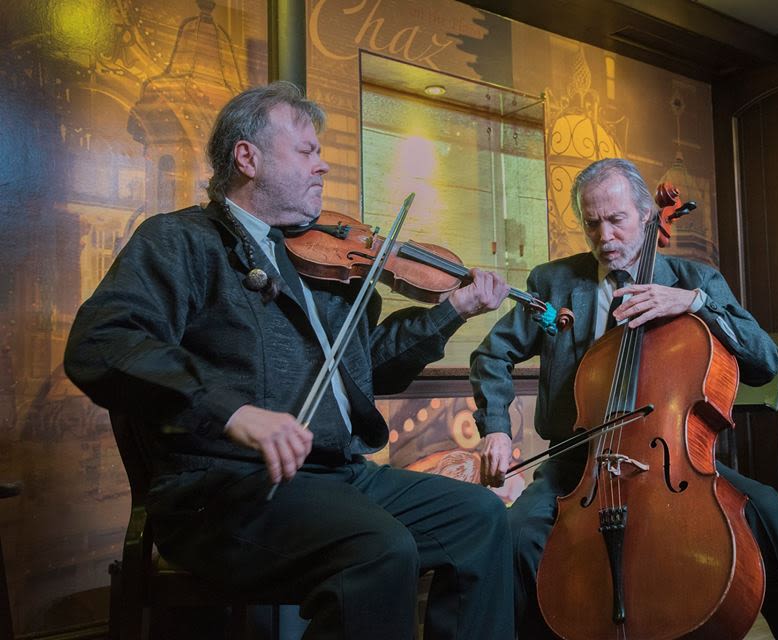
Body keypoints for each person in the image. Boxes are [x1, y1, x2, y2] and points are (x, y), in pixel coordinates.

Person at [65, 81, 515, 640]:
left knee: (481, 517)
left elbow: (364, 368)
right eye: (306, 150)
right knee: (377, 548)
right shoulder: (181, 240)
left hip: (339, 475)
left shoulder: (315, 262)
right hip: (227, 488)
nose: (323, 166)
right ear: (247, 158)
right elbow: (104, 341)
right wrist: (232, 411)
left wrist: (454, 310)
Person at [470, 158, 778, 639]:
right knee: (517, 538)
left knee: (766, 509)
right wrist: (496, 427)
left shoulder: (692, 280)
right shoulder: (553, 282)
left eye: (616, 220)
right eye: (592, 222)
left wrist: (694, 305)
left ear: (646, 216)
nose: (605, 236)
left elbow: (766, 360)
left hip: (670, 458)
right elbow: (490, 355)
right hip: (575, 466)